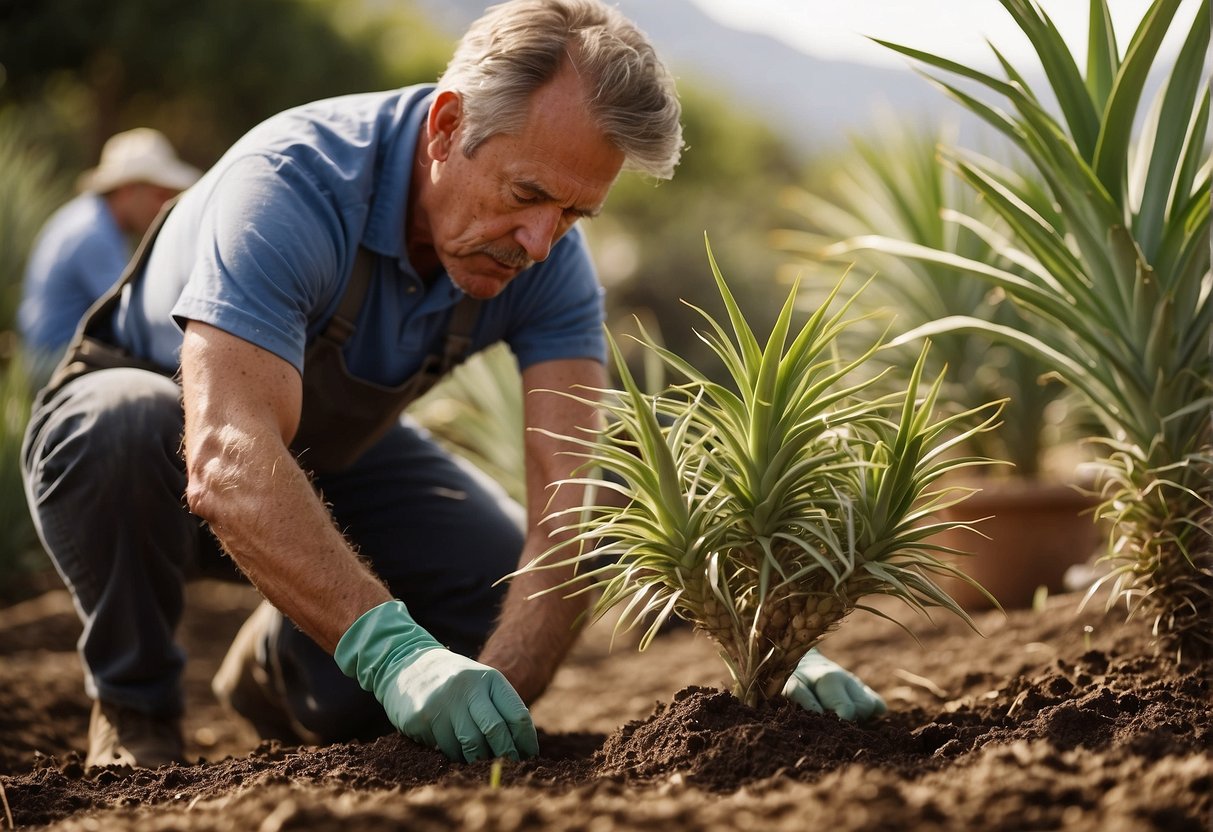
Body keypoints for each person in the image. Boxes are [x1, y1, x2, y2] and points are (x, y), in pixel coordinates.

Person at [22, 0, 884, 770]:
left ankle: (281, 674)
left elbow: (568, 508)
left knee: (492, 591)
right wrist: (397, 654)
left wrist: (760, 648)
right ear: (445, 127)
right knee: (127, 421)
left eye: (576, 214)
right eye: (528, 194)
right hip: (163, 435)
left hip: (338, 455)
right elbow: (226, 453)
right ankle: (133, 711)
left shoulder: (549, 259)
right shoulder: (293, 185)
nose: (541, 242)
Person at [17, 128, 200, 380]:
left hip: (49, 356)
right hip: (55, 362)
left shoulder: (91, 219)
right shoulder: (94, 234)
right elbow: (133, 318)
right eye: (159, 195)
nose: (164, 206)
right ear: (127, 191)